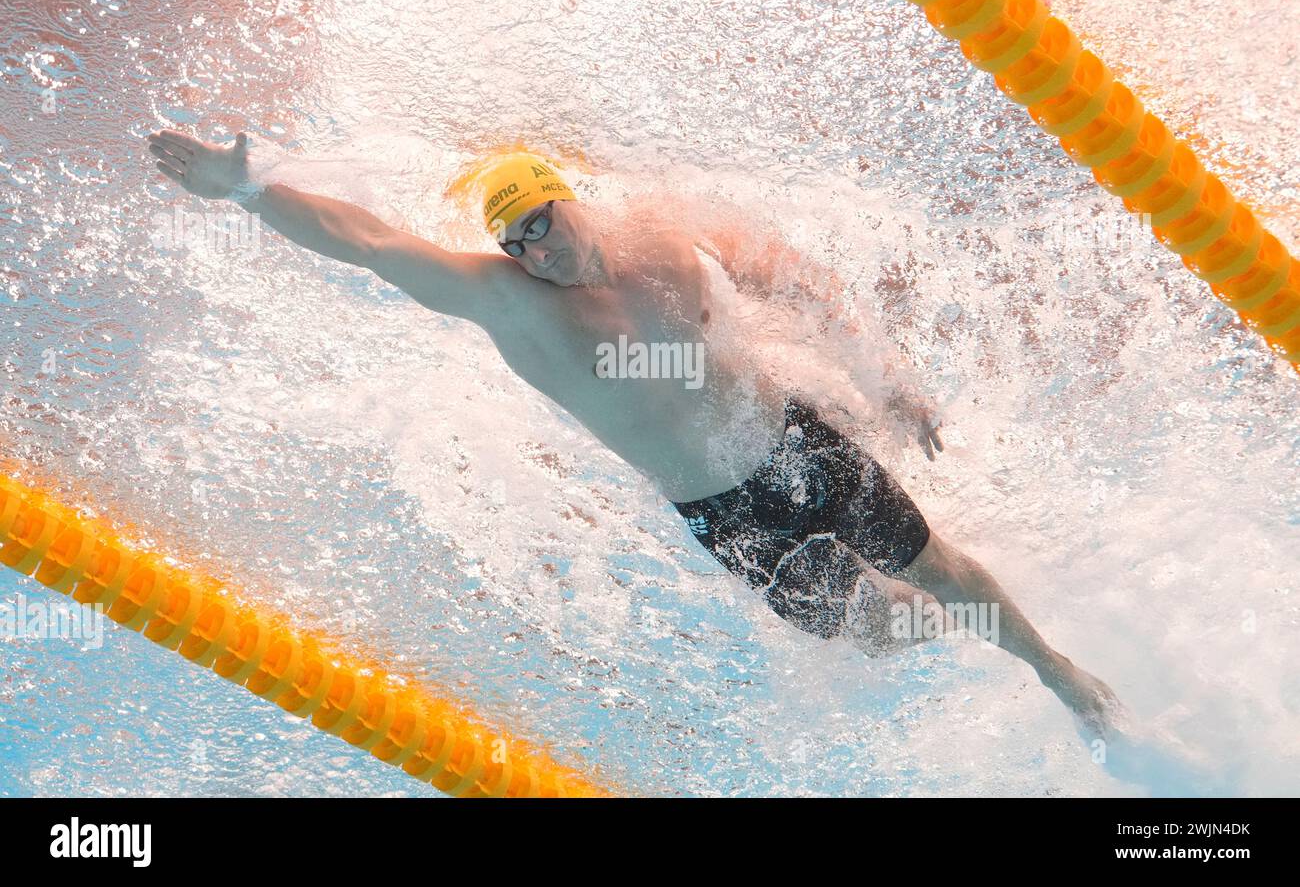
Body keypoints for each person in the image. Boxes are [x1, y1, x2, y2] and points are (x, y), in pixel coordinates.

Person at [146, 129, 1122, 739]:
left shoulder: (661, 232)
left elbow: (792, 282)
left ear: (564, 193)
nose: (532, 247)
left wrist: (887, 379)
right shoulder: (508, 304)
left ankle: (1061, 673)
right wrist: (247, 189)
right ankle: (955, 636)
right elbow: (368, 244)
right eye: (514, 239)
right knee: (884, 632)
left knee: (944, 566)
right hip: (727, 514)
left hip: (791, 442)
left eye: (537, 219)